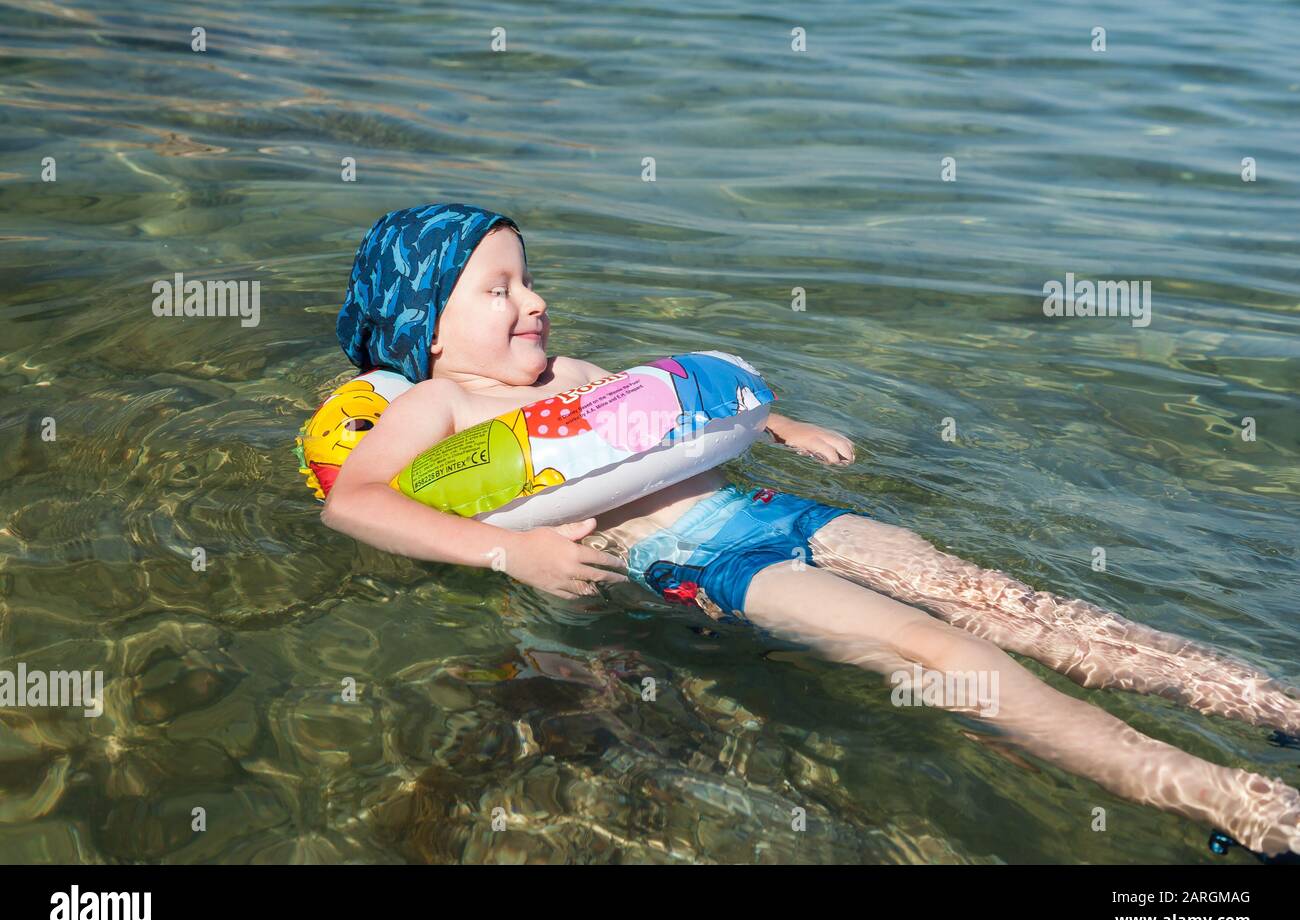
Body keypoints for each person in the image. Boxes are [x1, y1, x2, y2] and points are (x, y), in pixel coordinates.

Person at [323, 202, 1300, 858]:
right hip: (702, 561)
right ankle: (1234, 803)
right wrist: (513, 551)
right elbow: (355, 502)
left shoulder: (570, 372)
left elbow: (672, 417)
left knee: (992, 594)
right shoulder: (438, 413)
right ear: (429, 326)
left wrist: (778, 424)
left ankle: (1270, 701)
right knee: (930, 646)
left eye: (527, 278)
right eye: (496, 289)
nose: (532, 299)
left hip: (763, 509)